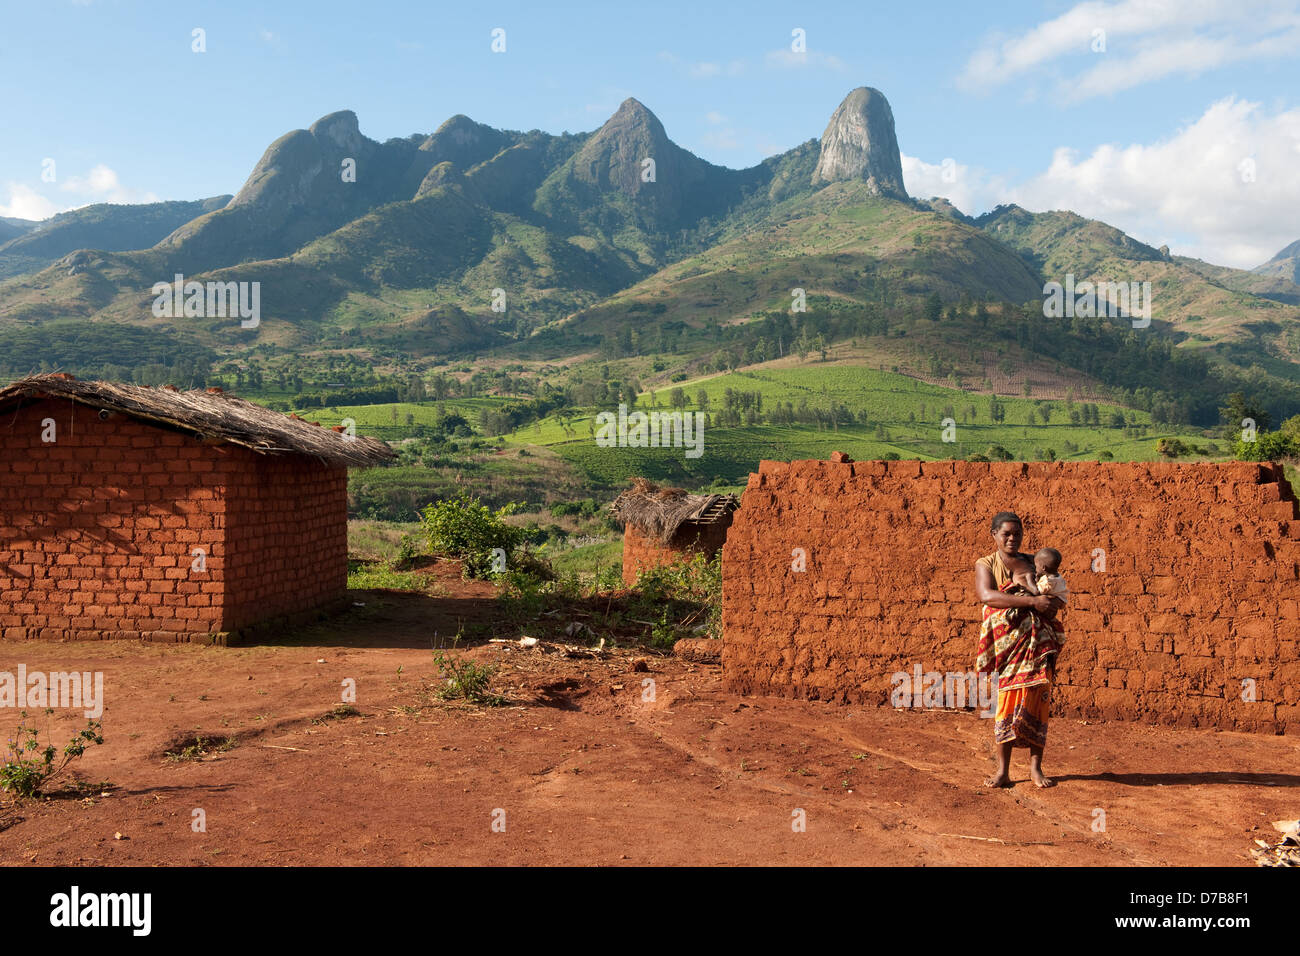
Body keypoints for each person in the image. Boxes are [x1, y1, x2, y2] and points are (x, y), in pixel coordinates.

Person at [974, 512, 1066, 788]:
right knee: (1006, 704)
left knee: (1038, 703)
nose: (1013, 538)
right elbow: (987, 596)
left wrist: (1047, 601)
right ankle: (1003, 771)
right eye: (1006, 534)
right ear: (994, 535)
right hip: (1008, 646)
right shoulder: (986, 563)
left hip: (1036, 646)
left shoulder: (1033, 561)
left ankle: (1036, 769)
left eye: (1017, 534)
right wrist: (1031, 603)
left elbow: (1053, 592)